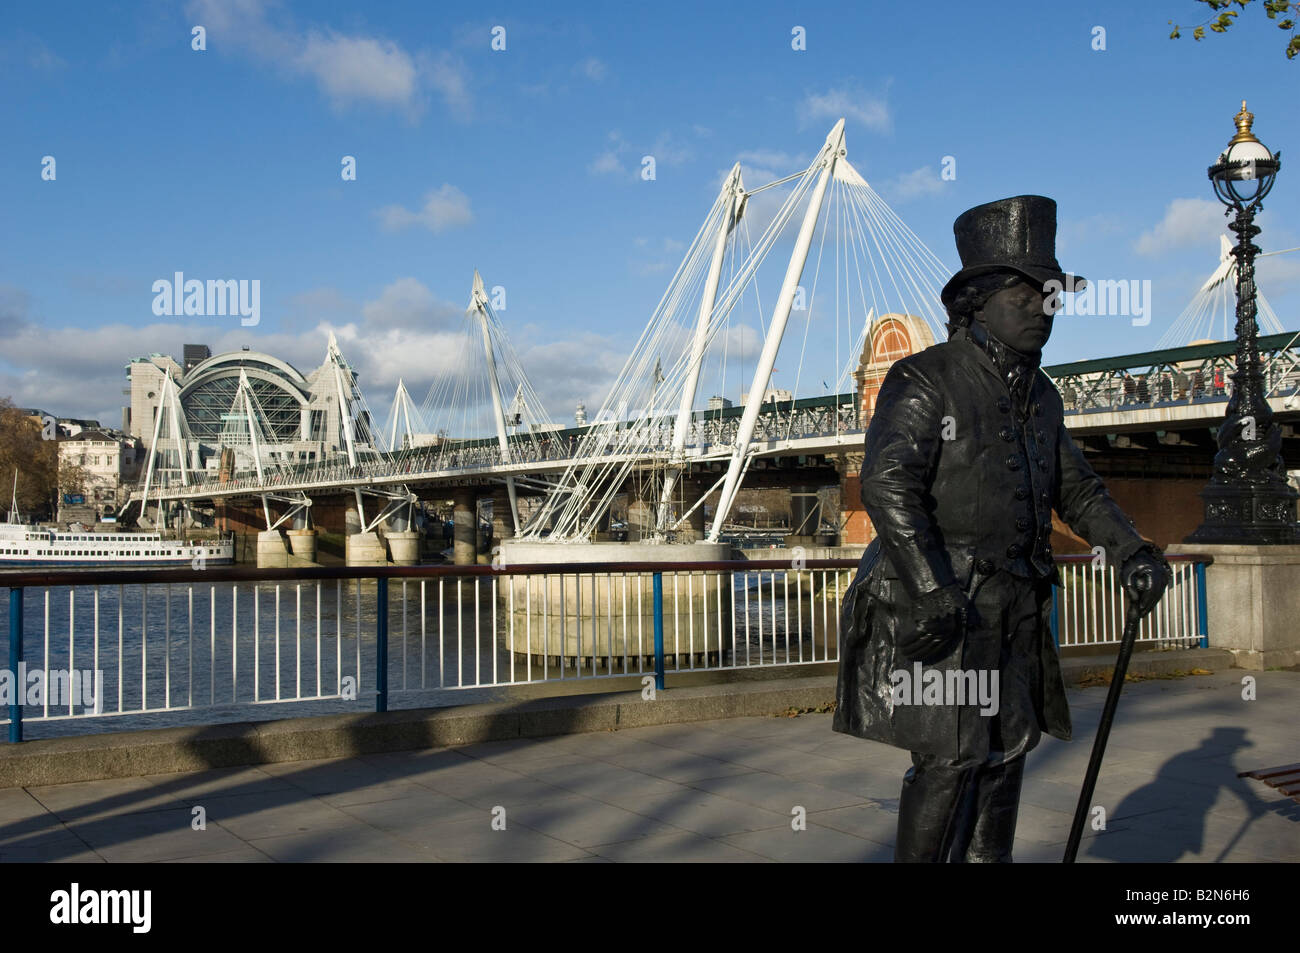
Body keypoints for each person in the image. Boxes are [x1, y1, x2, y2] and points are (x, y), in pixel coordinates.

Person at [833, 195, 1171, 862]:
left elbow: (1074, 487)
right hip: (945, 609)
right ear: (979, 300)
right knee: (951, 760)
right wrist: (932, 588)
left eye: (1051, 295)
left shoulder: (1042, 396)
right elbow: (887, 482)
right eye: (1029, 294)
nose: (1045, 308)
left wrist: (1130, 549)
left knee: (1008, 751)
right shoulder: (925, 378)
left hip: (1014, 608)